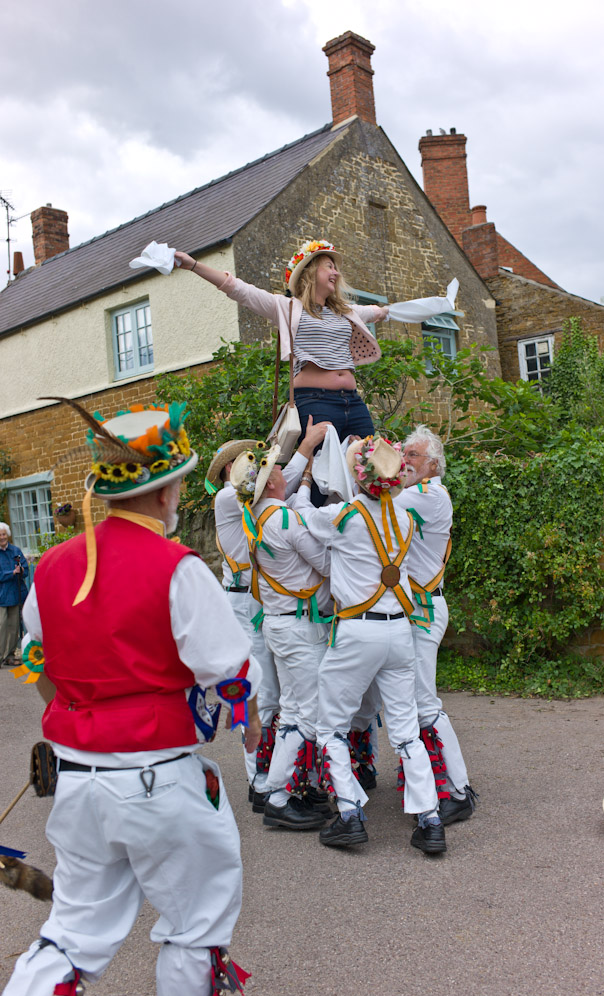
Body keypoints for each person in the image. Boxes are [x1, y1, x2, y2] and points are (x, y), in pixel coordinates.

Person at [1, 401, 261, 996]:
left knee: (71, 933)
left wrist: (75, 711)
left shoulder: (54, 565)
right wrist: (248, 728)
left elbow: (36, 658)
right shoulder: (178, 568)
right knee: (195, 928)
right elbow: (229, 672)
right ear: (167, 492)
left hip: (78, 782)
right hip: (159, 779)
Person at [293, 436, 447, 855]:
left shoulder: (345, 516)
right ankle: (430, 819)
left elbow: (303, 517)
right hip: (400, 632)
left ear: (358, 478)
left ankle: (349, 814)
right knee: (406, 730)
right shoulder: (406, 519)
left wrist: (305, 482)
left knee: (331, 726)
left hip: (358, 633)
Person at [208, 417, 329, 810]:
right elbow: (280, 483)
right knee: (260, 693)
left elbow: (279, 484)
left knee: (280, 693)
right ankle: (260, 782)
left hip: (261, 601)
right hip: (244, 604)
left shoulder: (251, 499)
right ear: (233, 469)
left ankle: (280, 776)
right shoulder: (228, 498)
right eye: (254, 461)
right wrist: (305, 448)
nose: (262, 467)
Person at [174, 239, 388, 449]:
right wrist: (193, 265)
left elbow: (377, 312)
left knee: (369, 463)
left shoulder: (346, 312)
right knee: (321, 467)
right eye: (329, 266)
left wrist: (388, 311)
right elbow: (237, 288)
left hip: (353, 402)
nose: (336, 273)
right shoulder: (287, 308)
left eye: (336, 268)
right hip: (316, 402)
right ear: (310, 271)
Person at [396, 425, 477, 824]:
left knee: (424, 701)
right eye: (403, 453)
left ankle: (457, 791)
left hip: (424, 610)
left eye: (412, 455)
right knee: (412, 701)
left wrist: (363, 460)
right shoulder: (419, 494)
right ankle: (433, 782)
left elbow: (372, 502)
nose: (404, 460)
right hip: (418, 608)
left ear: (433, 464)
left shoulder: (427, 495)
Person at [0, 522, 28, 667]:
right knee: (1, 626)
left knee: (13, 627)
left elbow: (25, 569)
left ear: (8, 535)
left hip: (15, 593)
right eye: (0, 535)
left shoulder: (15, 551)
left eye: (4, 534)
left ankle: (9, 656)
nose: (2, 537)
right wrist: (11, 573)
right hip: (1, 595)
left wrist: (21, 570)